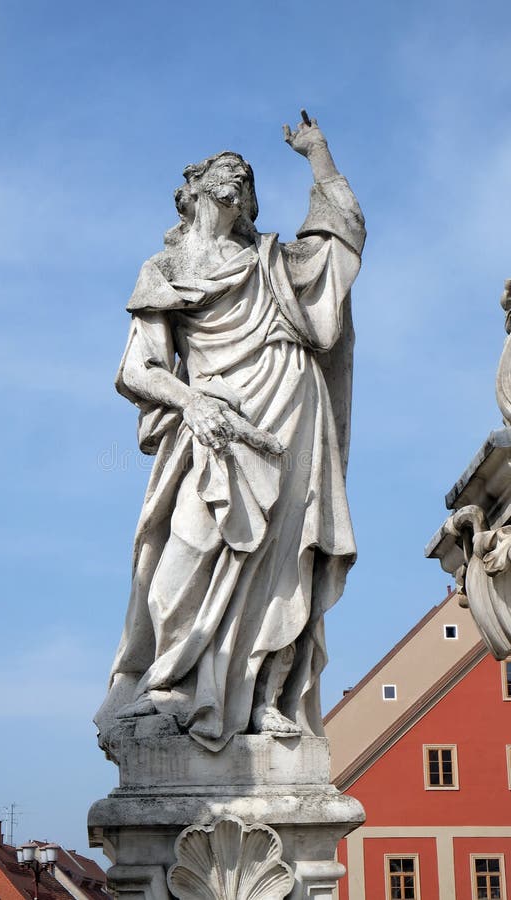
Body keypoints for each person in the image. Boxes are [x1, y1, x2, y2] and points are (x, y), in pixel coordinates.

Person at [95, 112, 365, 753]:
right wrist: (191, 403)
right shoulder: (164, 267)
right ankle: (172, 687)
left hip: (293, 413)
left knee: (283, 557)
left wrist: (319, 154)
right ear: (193, 190)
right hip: (217, 425)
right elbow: (137, 370)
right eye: (223, 166)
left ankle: (265, 700)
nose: (237, 172)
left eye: (244, 173)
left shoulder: (273, 259)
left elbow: (341, 242)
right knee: (183, 554)